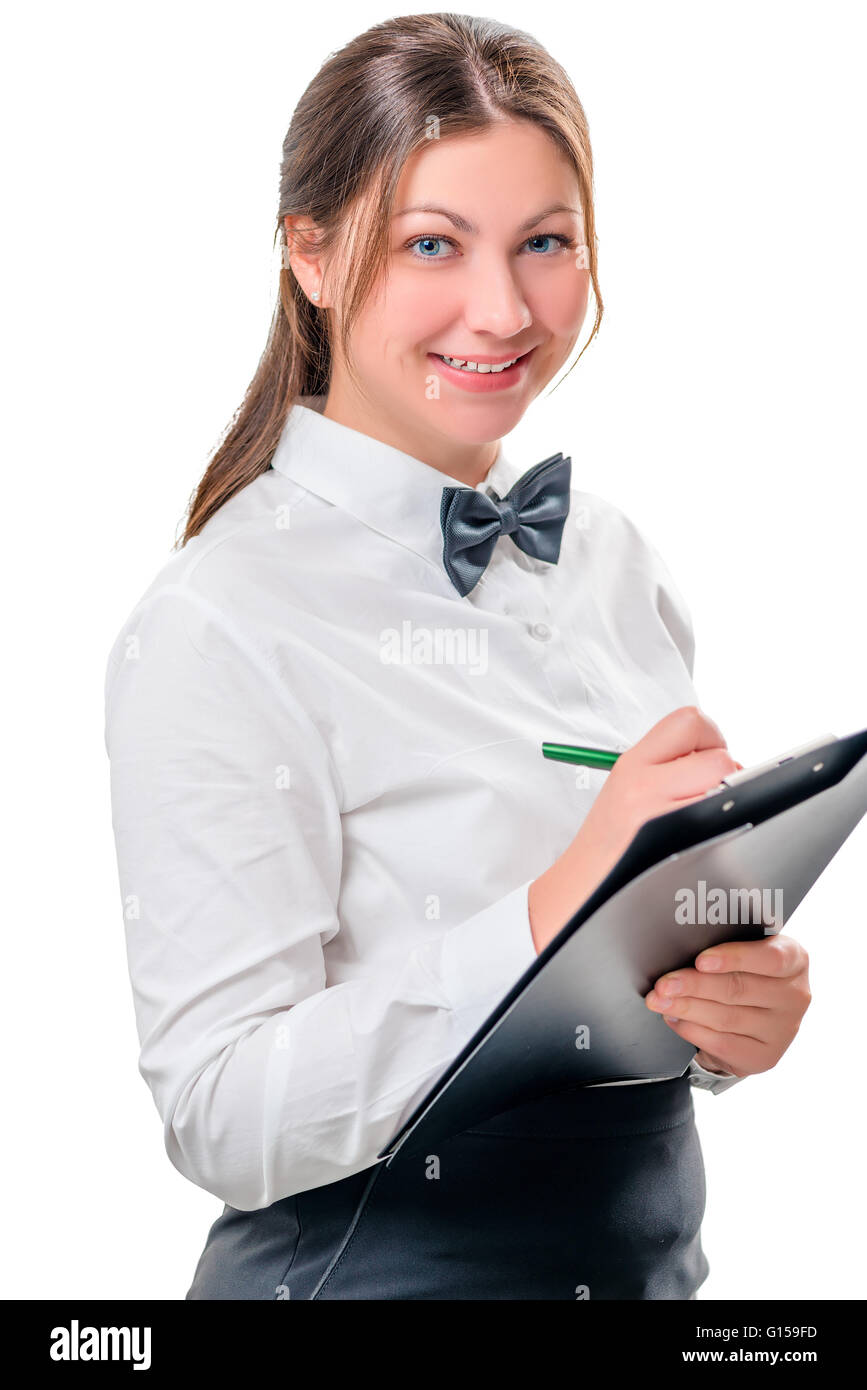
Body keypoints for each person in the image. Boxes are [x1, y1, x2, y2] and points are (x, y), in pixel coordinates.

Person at [104, 12, 811, 1300]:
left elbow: (631, 963)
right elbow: (218, 1116)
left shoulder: (616, 560)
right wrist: (553, 908)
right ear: (310, 258)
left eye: (545, 243)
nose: (503, 309)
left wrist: (723, 1016)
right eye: (434, 244)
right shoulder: (219, 619)